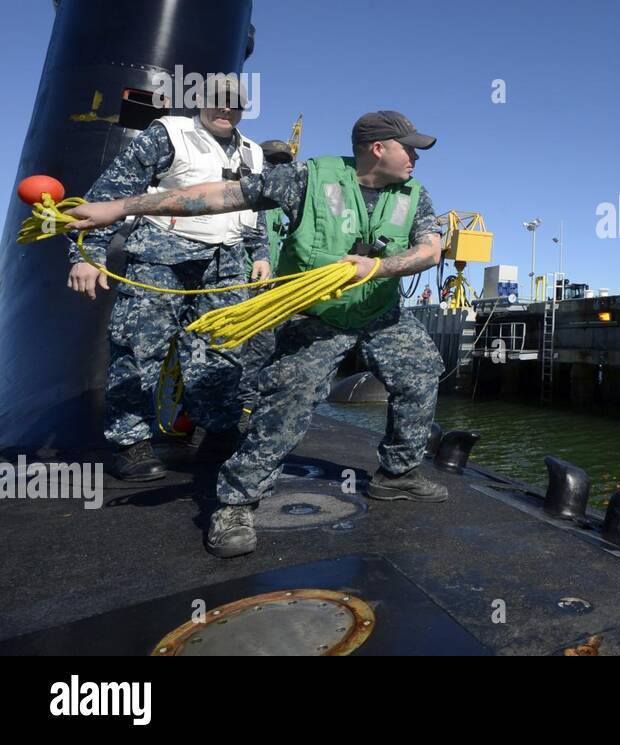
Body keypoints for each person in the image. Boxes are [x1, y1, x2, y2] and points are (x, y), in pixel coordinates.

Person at [70, 110, 448, 559]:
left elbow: (430, 250)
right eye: (411, 149)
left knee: (421, 371)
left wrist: (378, 268)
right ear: (378, 148)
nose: (417, 159)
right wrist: (120, 206)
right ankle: (236, 502)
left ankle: (398, 474)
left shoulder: (414, 195)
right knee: (287, 400)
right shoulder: (305, 178)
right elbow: (222, 196)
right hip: (315, 314)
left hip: (379, 311)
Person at [67, 79, 269, 482]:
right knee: (139, 347)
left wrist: (260, 252)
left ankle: (217, 433)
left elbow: (255, 205)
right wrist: (85, 254)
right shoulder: (169, 133)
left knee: (221, 350)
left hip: (224, 262)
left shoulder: (254, 152)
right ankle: (130, 443)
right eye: (217, 103)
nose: (225, 111)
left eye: (235, 105)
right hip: (163, 253)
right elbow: (112, 190)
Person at [233, 139, 295, 428]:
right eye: (272, 162)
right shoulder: (247, 193)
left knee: (264, 348)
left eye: (284, 163)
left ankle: (247, 405)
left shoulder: (281, 207)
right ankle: (232, 407)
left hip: (268, 289)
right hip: (239, 283)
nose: (278, 168)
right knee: (232, 349)